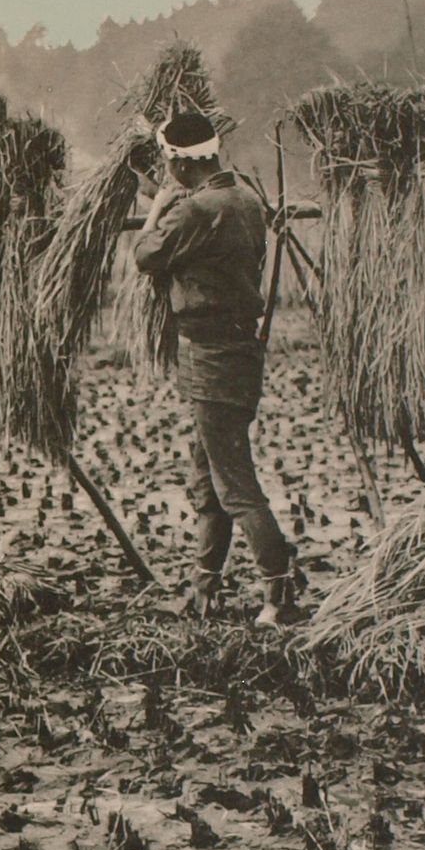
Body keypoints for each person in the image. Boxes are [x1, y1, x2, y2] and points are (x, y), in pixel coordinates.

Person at [130, 108, 308, 623]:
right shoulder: (246, 201)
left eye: (168, 169)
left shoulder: (194, 211)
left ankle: (280, 594)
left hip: (211, 355)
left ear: (180, 168)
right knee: (208, 476)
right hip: (236, 351)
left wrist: (157, 207)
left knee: (233, 482)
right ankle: (202, 590)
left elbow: (145, 256)